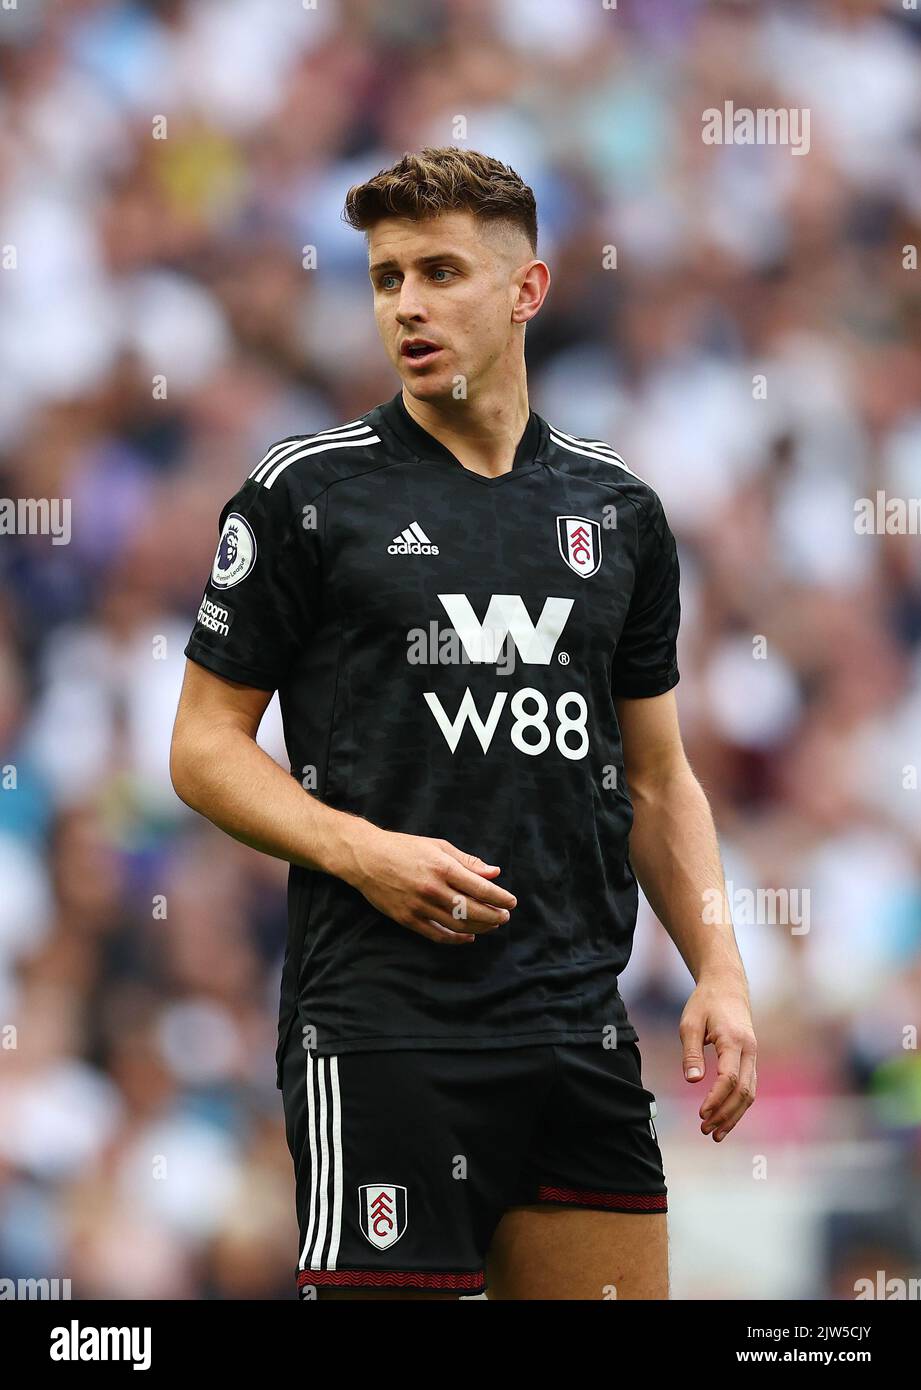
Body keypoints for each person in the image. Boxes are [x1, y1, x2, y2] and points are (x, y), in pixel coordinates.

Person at [170, 146, 757, 1301]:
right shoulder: (306, 493)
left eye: (441, 272)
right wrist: (362, 851)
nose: (408, 305)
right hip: (384, 1030)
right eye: (387, 279)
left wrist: (722, 973)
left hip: (576, 1032)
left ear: (527, 291)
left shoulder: (617, 510)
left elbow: (659, 779)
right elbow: (200, 746)